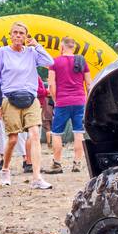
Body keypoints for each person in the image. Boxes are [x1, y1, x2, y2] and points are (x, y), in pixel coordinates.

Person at [0, 21, 54, 190]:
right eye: (15, 32)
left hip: (30, 98)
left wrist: (37, 45)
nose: (18, 36)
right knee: (13, 138)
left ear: (26, 36)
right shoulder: (2, 52)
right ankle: (5, 168)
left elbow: (50, 62)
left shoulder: (32, 52)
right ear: (10, 35)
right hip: (9, 98)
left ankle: (37, 177)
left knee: (34, 135)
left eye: (22, 33)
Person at [48, 37, 90, 172]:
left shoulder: (54, 61)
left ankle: (57, 163)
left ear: (62, 46)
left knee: (56, 133)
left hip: (62, 101)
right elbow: (89, 84)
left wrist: (56, 99)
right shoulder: (82, 61)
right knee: (79, 132)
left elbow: (51, 84)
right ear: (73, 47)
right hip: (79, 101)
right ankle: (77, 163)